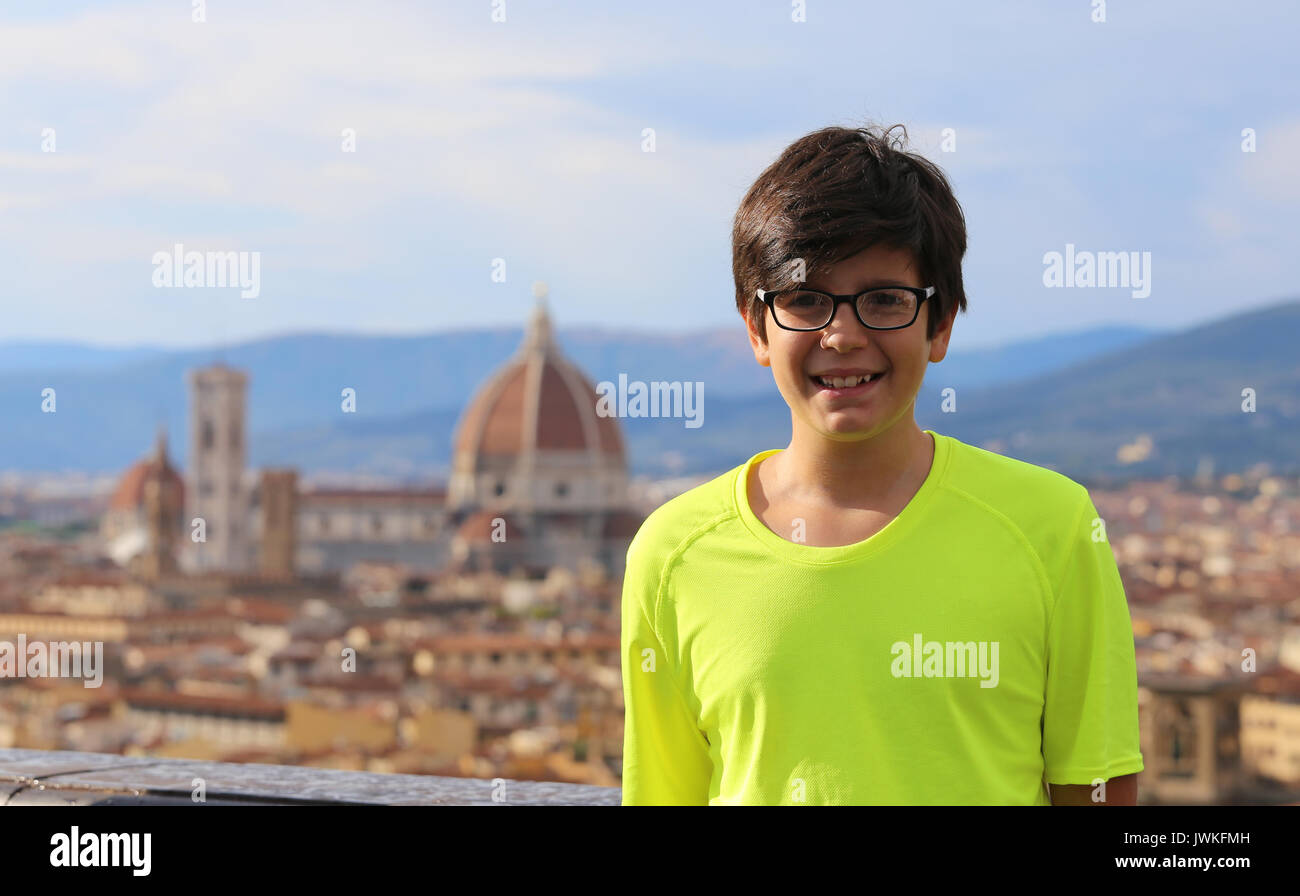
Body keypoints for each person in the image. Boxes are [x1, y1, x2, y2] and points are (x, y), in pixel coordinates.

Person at [619, 123, 1143, 805]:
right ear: (756, 328)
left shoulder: (1053, 526)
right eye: (805, 298)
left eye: (886, 300)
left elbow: (1098, 790)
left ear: (942, 324)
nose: (842, 334)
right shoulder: (671, 552)